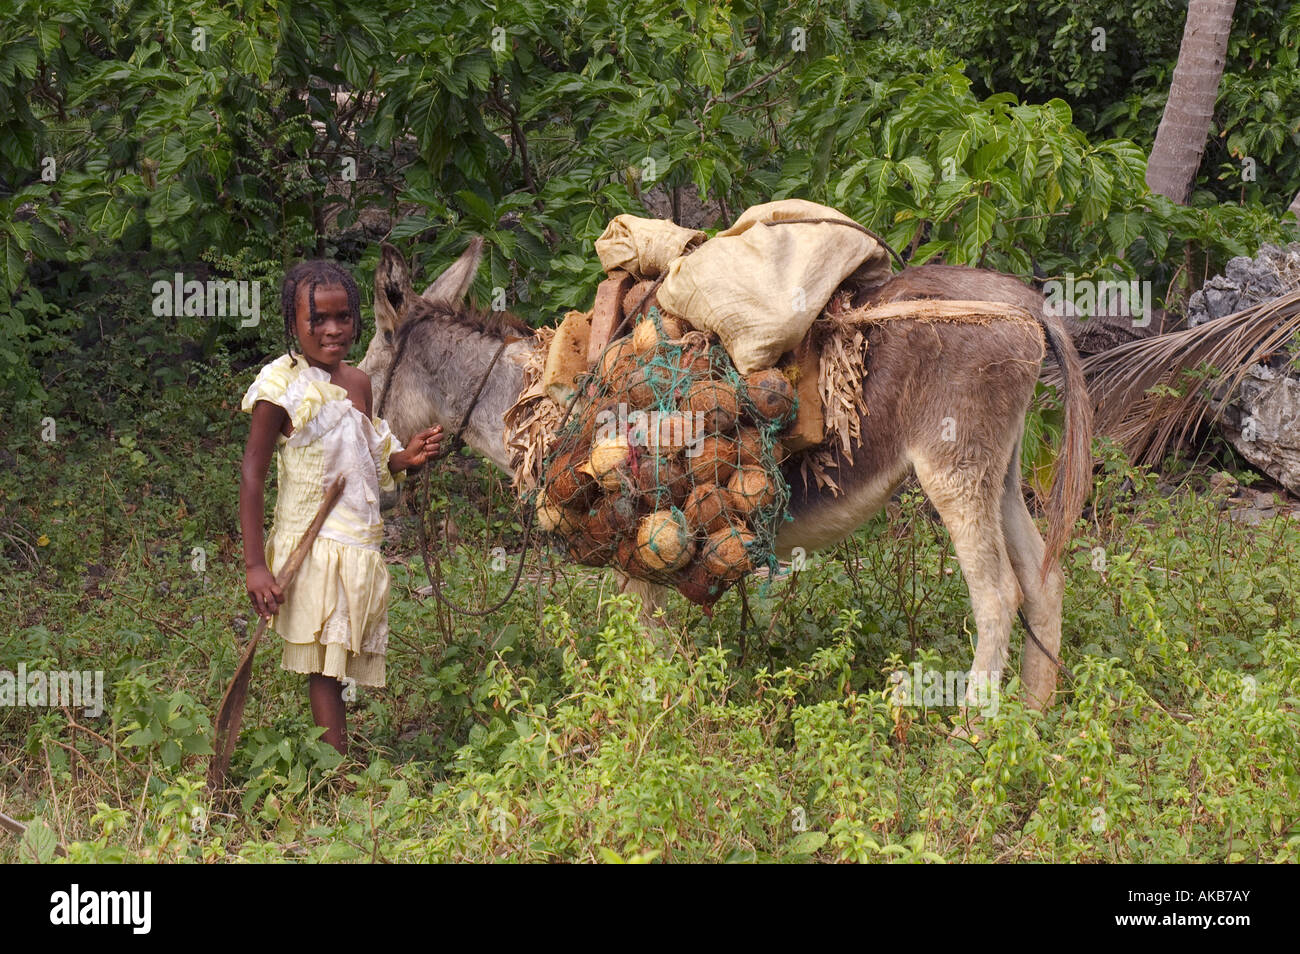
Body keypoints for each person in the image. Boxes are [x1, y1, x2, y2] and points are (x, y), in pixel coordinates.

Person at [239, 260, 442, 756]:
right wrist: (255, 565)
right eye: (318, 321)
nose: (333, 330)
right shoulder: (280, 389)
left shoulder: (358, 382)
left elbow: (363, 453)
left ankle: (338, 758)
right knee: (324, 669)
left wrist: (402, 458)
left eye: (343, 318)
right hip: (310, 544)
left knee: (337, 658)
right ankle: (339, 771)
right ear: (294, 324)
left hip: (351, 538)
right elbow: (252, 474)